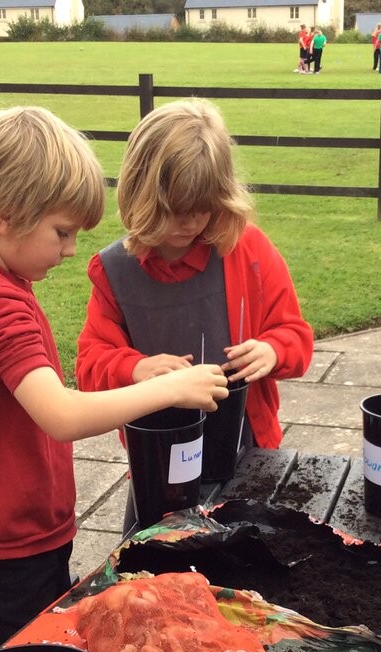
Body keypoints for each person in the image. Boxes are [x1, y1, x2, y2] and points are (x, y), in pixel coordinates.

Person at [0, 106, 228, 652]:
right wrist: (168, 388)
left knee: (12, 647)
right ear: (4, 215)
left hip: (0, 535)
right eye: (61, 232)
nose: (70, 250)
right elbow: (61, 415)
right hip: (7, 547)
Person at [77, 99, 314, 521]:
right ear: (140, 195)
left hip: (248, 457)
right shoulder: (114, 272)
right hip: (160, 468)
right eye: (173, 210)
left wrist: (273, 350)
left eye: (202, 208)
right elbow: (90, 365)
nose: (188, 223)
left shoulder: (249, 252)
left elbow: (297, 337)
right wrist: (135, 369)